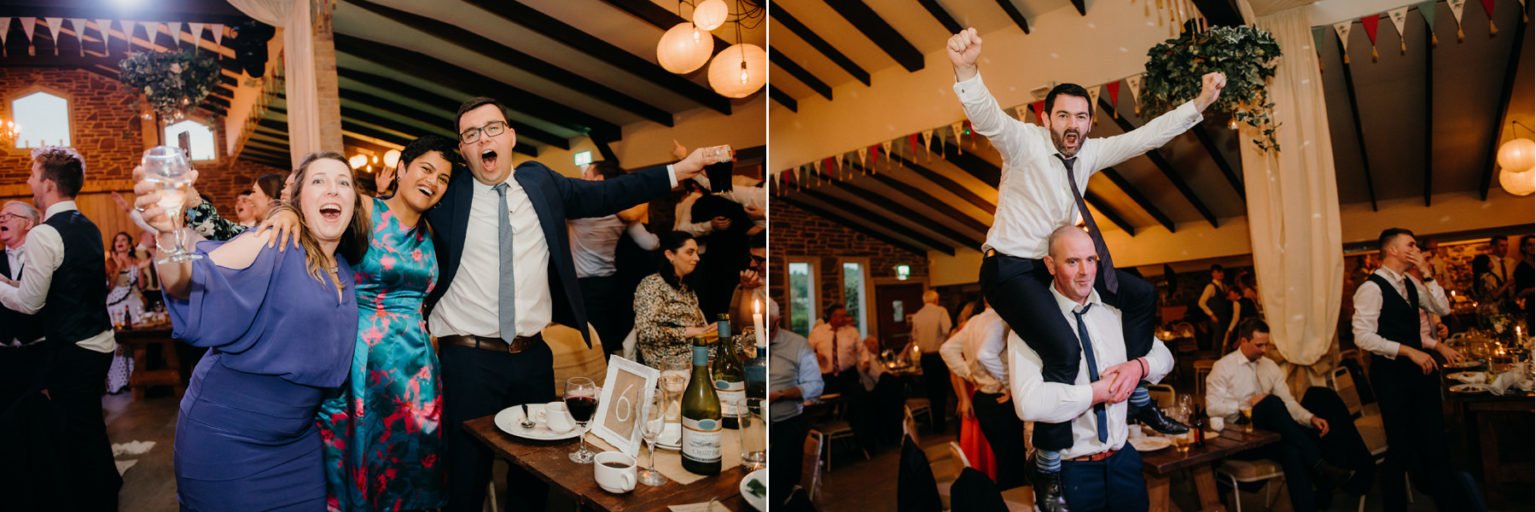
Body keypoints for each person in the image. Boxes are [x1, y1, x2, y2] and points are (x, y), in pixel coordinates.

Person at [427, 97, 729, 512]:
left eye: (493, 128)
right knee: (466, 480)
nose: (484, 139)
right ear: (463, 150)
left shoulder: (540, 183)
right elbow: (397, 204)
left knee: (536, 478)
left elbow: (608, 193)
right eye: (471, 134)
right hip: (467, 359)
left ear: (511, 136)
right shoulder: (449, 192)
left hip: (532, 358)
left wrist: (680, 169)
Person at [947, 27, 1204, 509]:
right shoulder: (1023, 141)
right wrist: (966, 69)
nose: (1072, 122)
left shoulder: (1089, 152)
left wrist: (1198, 105)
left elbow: (1146, 138)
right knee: (1063, 350)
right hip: (1009, 269)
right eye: (1062, 114)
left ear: (1089, 122)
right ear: (1046, 118)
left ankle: (1140, 397)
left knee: (1141, 296)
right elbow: (986, 118)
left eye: (1081, 116)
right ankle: (1046, 464)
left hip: (1048, 268)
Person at [136, 151, 369, 510]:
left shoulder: (345, 267)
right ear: (297, 200)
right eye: (319, 181)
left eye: (343, 183)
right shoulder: (273, 241)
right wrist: (168, 236)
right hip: (227, 436)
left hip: (297, 441)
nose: (332, 191)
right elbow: (189, 279)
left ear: (355, 202)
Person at [312, 136, 458, 511]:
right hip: (361, 359)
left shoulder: (434, 235)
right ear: (402, 169)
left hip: (417, 370)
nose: (433, 182)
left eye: (443, 178)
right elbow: (306, 228)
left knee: (415, 458)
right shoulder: (361, 210)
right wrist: (283, 213)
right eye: (426, 169)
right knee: (363, 454)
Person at [1006, 226, 1175, 512]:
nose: (1085, 271)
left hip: (1124, 462)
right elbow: (1029, 404)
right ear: (1050, 265)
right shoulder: (1029, 328)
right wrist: (1097, 392)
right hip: (1072, 472)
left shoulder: (1115, 314)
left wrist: (1139, 367)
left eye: (1091, 260)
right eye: (1072, 262)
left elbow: (1164, 356)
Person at [0, 147, 121, 510]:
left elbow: (30, 303)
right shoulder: (87, 226)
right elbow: (69, 286)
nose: (28, 182)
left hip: (72, 349)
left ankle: (92, 500)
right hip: (99, 342)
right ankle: (104, 490)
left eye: (33, 175)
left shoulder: (43, 234)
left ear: (48, 184)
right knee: (89, 426)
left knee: (76, 432)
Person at [1351, 228, 1472, 511]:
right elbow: (1362, 336)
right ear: (1392, 250)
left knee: (1434, 440)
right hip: (1391, 376)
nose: (1417, 250)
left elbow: (1442, 309)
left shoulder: (1410, 282)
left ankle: (1449, 503)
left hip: (1421, 373)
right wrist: (1408, 350)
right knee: (1401, 446)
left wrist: (1427, 272)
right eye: (1412, 245)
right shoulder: (1371, 288)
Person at [1206, 318, 1373, 510]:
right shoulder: (1223, 367)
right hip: (1240, 436)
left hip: (1271, 434)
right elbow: (1212, 407)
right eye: (1259, 345)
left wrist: (1310, 417)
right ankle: (1320, 464)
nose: (1264, 350)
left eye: (1266, 345)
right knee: (1270, 402)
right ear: (1243, 341)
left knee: (1292, 452)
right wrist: (1245, 404)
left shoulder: (1269, 366)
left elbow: (1289, 403)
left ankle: (1313, 495)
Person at [568, 160, 660, 354]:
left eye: (586, 174)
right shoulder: (623, 213)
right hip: (610, 281)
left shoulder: (579, 210)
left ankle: (594, 377)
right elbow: (649, 243)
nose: (582, 178)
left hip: (584, 284)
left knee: (589, 338)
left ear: (599, 179)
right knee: (606, 335)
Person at [939, 298, 1027, 490]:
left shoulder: (974, 321)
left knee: (1004, 460)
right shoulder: (1001, 319)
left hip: (982, 399)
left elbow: (947, 350)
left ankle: (1007, 499)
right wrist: (1007, 382)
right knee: (1012, 462)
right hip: (1000, 399)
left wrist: (970, 374)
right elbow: (985, 354)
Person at [0, 199, 47, 510]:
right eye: (0, 215)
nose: (1, 218)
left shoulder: (42, 258)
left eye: (8, 215)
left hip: (38, 353)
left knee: (39, 431)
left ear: (28, 223)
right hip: (4, 357)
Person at [767, 298, 823, 507]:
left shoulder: (798, 344)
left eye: (767, 323)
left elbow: (816, 385)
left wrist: (781, 394)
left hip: (787, 426)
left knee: (780, 491)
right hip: (755, 423)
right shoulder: (749, 341)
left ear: (777, 321)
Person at [633, 231, 715, 370]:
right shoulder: (653, 284)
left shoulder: (686, 288)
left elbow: (700, 329)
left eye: (696, 252)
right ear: (670, 255)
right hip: (668, 358)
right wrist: (691, 331)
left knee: (740, 343)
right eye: (690, 252)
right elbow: (646, 332)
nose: (697, 258)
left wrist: (710, 330)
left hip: (693, 349)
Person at [911, 290, 954, 433]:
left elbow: (914, 337)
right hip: (938, 355)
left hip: (925, 357)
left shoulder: (917, 315)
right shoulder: (941, 311)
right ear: (936, 300)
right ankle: (941, 424)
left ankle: (935, 424)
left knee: (931, 391)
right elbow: (948, 331)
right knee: (942, 390)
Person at [809, 304, 861, 396]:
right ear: (832, 316)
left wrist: (865, 361)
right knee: (828, 405)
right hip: (827, 377)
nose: (844, 318)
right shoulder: (817, 332)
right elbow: (805, 351)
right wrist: (815, 355)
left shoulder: (852, 331)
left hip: (849, 375)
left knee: (852, 404)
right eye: (841, 316)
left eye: (844, 315)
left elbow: (861, 349)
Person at [1198, 264, 1232, 350]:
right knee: (1219, 339)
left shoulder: (1223, 286)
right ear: (1213, 274)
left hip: (1225, 316)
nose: (1221, 274)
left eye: (1222, 271)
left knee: (1226, 339)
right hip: (1216, 317)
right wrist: (1211, 314)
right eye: (1218, 272)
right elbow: (1201, 302)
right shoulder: (1210, 287)